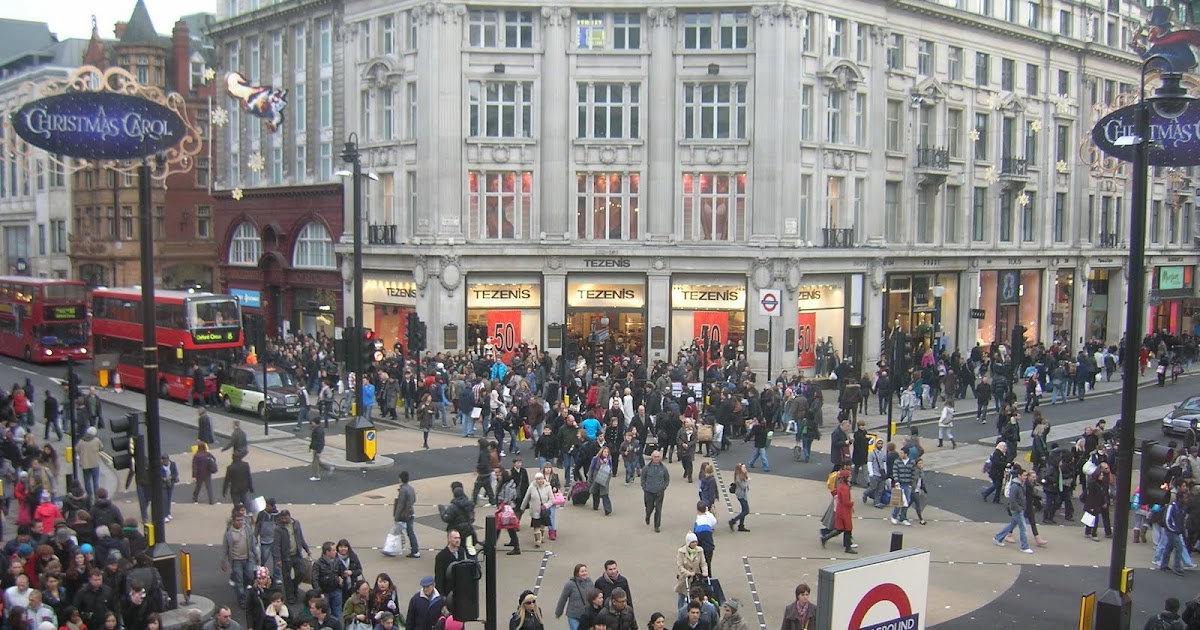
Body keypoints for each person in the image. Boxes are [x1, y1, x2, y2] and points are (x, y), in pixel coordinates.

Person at [221, 511, 259, 607]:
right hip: (236, 560)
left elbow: (252, 543)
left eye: (241, 520)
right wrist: (223, 562)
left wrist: (257, 555)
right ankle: (242, 600)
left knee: (250, 576)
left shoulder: (247, 529)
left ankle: (246, 590)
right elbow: (225, 548)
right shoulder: (229, 534)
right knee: (239, 580)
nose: (240, 522)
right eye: (237, 520)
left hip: (248, 558)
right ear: (233, 521)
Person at [992, 466, 1034, 553]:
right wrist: (1019, 508)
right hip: (1017, 509)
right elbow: (1012, 500)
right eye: (1024, 475)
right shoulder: (1015, 486)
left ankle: (998, 538)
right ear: (1019, 476)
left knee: (1011, 525)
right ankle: (1024, 546)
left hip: (1019, 508)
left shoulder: (1021, 484)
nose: (1026, 477)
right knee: (1023, 528)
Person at [274, 510, 311, 605]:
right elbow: (277, 545)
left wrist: (307, 549)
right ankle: (290, 596)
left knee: (301, 573)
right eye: (282, 518)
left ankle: (294, 586)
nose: (284, 520)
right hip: (286, 557)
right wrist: (278, 559)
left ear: (289, 517)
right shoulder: (278, 529)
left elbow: (301, 538)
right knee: (286, 577)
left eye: (285, 518)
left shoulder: (296, 524)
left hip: (297, 554)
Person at [820, 470, 857, 553]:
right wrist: (852, 503)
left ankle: (825, 538)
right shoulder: (845, 488)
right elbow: (846, 502)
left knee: (840, 528)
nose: (851, 477)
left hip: (840, 509)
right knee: (848, 528)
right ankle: (848, 548)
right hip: (845, 511)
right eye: (849, 476)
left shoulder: (841, 486)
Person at [520, 472, 554, 549]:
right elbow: (526, 498)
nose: (540, 480)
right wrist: (522, 508)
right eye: (538, 479)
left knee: (542, 526)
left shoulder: (548, 487)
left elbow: (551, 499)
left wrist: (546, 505)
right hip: (534, 511)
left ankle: (541, 537)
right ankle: (537, 541)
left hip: (544, 511)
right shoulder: (531, 487)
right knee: (536, 527)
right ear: (535, 480)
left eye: (541, 479)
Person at [554, 564, 594, 630]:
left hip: (586, 615)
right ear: (577, 573)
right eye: (582, 571)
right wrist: (558, 612)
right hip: (573, 615)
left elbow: (593, 597)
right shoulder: (570, 584)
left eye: (585, 571)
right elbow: (563, 599)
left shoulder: (590, 583)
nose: (584, 573)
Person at [391, 471, 420, 558]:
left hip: (404, 514)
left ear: (401, 479)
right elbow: (414, 499)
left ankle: (394, 549)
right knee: (410, 532)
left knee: (399, 532)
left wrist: (396, 516)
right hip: (411, 512)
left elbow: (400, 504)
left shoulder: (403, 490)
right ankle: (415, 550)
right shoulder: (411, 488)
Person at [674, 533, 708, 608]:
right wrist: (688, 573)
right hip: (684, 577)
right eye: (692, 542)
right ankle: (680, 610)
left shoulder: (700, 550)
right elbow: (680, 566)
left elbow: (703, 563)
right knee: (682, 594)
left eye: (696, 541)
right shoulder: (681, 551)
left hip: (696, 578)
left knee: (696, 594)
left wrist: (705, 571)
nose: (695, 543)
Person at [641, 450, 670, 533]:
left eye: (658, 457)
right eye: (655, 457)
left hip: (659, 492)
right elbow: (643, 478)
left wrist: (663, 487)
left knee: (658, 509)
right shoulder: (646, 468)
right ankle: (648, 515)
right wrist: (644, 487)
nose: (657, 458)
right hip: (649, 491)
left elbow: (667, 479)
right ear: (652, 457)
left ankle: (657, 526)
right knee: (649, 507)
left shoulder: (663, 468)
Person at [433, 531, 467, 598]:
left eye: (459, 538)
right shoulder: (441, 556)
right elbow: (439, 576)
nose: (457, 540)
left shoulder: (461, 551)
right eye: (455, 538)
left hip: (459, 589)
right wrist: (441, 594)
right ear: (449, 539)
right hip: (448, 590)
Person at [75, 427, 102, 500]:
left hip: (85, 464)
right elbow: (101, 448)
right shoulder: (96, 440)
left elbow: (76, 449)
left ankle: (89, 495)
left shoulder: (81, 441)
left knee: (87, 480)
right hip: (95, 463)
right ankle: (96, 496)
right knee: (95, 481)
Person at [589, 447, 614, 515]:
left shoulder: (609, 459)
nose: (606, 453)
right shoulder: (595, 459)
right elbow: (591, 469)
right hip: (595, 479)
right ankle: (595, 505)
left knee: (604, 494)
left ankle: (607, 509)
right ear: (601, 452)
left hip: (604, 479)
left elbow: (611, 469)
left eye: (607, 452)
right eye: (604, 452)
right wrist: (589, 480)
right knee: (595, 492)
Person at [728, 463, 751, 533]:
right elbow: (743, 486)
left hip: (743, 495)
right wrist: (748, 481)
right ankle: (733, 521)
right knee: (746, 511)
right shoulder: (738, 477)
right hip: (741, 496)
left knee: (743, 510)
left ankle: (741, 526)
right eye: (744, 468)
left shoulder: (743, 475)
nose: (745, 469)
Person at [310, 418, 326, 482]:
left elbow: (321, 441)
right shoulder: (316, 429)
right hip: (315, 447)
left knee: (315, 462)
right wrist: (311, 446)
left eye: (313, 422)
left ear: (315, 423)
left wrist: (319, 451)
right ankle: (329, 468)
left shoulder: (319, 431)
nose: (312, 423)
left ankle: (317, 476)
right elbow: (313, 439)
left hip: (317, 448)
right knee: (318, 461)